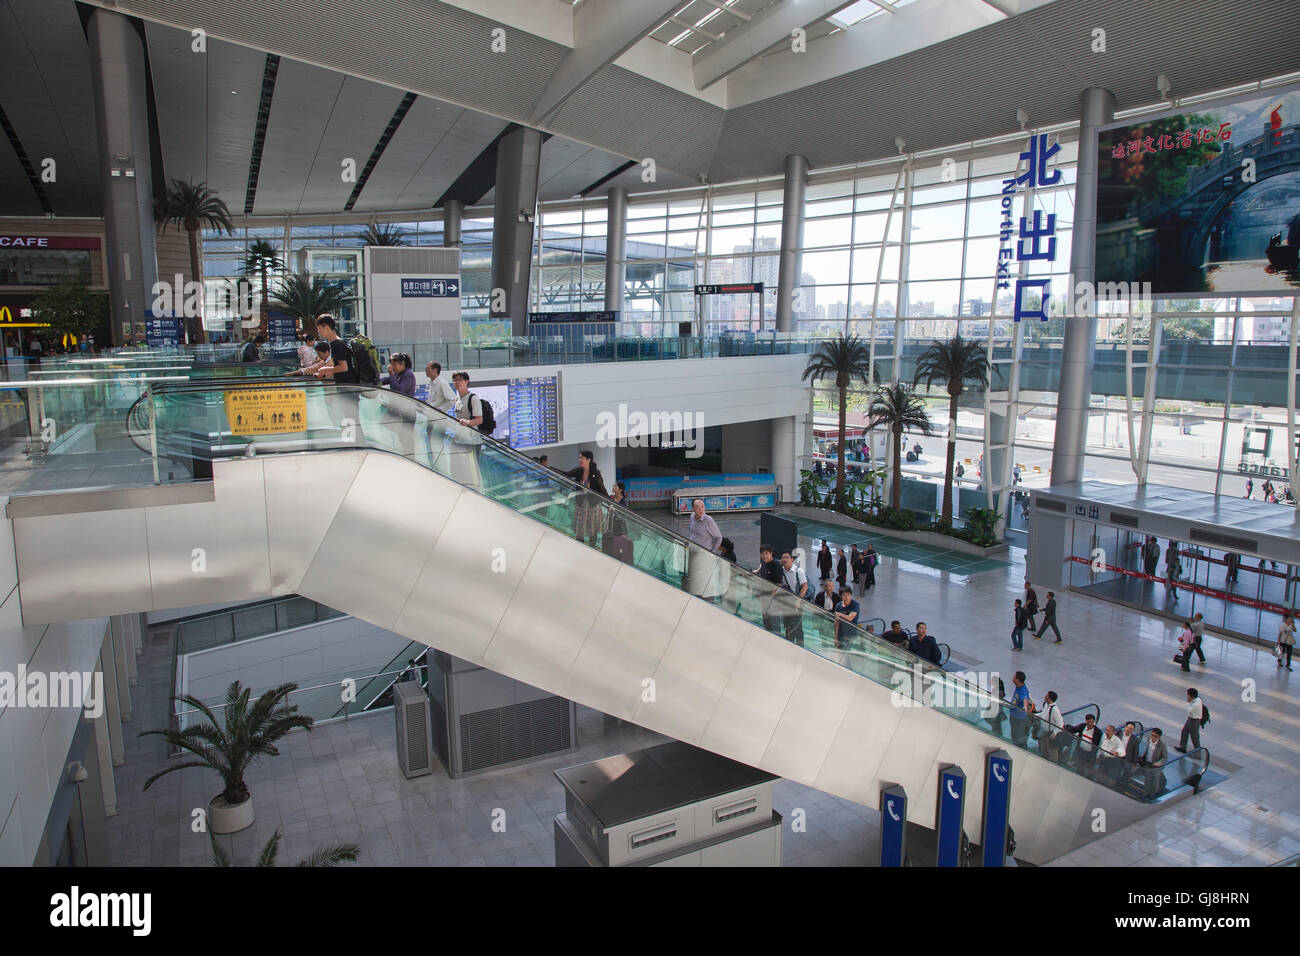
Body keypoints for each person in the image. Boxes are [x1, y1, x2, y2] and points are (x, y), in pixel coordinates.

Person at [314, 316, 362, 444]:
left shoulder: (336, 344)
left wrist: (324, 370)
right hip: (350, 386)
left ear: (327, 327)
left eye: (319, 329)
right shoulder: (340, 342)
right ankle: (356, 444)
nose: (318, 332)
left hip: (348, 388)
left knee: (350, 418)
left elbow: (343, 367)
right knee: (351, 418)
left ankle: (356, 445)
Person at [566, 450, 609, 546]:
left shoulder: (595, 473)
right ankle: (579, 547)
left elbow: (602, 489)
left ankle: (592, 549)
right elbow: (566, 474)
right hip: (581, 505)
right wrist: (549, 469)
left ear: (589, 459)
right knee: (580, 531)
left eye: (582, 458)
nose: (579, 459)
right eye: (579, 457)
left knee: (592, 530)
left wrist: (610, 503)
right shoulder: (578, 471)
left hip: (592, 506)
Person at [379, 352, 417, 456]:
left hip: (407, 414)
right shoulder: (399, 374)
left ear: (402, 363)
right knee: (402, 439)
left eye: (394, 365)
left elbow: (400, 390)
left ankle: (410, 459)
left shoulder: (409, 375)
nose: (392, 367)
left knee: (407, 440)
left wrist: (391, 375)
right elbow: (384, 381)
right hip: (401, 412)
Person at [778, 550, 808, 646]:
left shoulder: (798, 571)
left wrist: (798, 601)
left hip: (796, 603)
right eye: (783, 557)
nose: (784, 559)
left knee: (796, 627)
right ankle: (789, 645)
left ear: (792, 559)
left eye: (787, 557)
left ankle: (799, 646)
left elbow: (805, 586)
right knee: (787, 625)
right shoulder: (782, 571)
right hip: (786, 603)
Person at [754, 544, 784, 635]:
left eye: (766, 553)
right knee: (766, 619)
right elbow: (760, 569)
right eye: (762, 554)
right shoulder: (763, 562)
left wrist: (771, 596)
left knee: (774, 621)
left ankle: (777, 638)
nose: (764, 556)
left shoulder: (776, 564)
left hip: (772, 599)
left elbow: (779, 584)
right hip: (764, 596)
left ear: (771, 554)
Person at [1038, 690, 1064, 762]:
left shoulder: (1055, 709)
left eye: (1046, 695)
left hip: (1051, 733)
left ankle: (1053, 763)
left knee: (1052, 750)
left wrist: (1054, 733)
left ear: (1050, 698)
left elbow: (1060, 723)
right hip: (1044, 731)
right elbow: (1043, 714)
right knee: (1044, 748)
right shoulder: (1046, 705)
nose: (1045, 696)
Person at [1141, 728, 1168, 797]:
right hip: (1148, 763)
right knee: (1147, 780)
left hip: (1156, 766)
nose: (1153, 737)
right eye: (1152, 735)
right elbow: (1148, 750)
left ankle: (1154, 794)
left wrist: (1159, 763)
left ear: (1159, 737)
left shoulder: (1162, 745)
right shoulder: (1148, 740)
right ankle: (1147, 793)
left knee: (1155, 780)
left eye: (1155, 736)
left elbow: (1165, 757)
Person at [1008, 671, 1032, 748]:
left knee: (1017, 737)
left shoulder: (1022, 691)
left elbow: (1025, 699)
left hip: (1018, 719)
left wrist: (1025, 707)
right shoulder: (1019, 687)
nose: (1013, 677)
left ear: (1017, 679)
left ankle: (1019, 749)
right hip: (1016, 717)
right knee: (1015, 735)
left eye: (1014, 676)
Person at [1176, 688, 1204, 753]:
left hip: (1194, 721)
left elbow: (1189, 710)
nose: (1187, 696)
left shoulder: (1196, 704)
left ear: (1192, 696)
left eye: (1188, 695)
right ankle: (1183, 747)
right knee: (1184, 731)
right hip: (1190, 719)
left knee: (1194, 736)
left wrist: (1188, 702)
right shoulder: (1198, 699)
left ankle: (1197, 752)